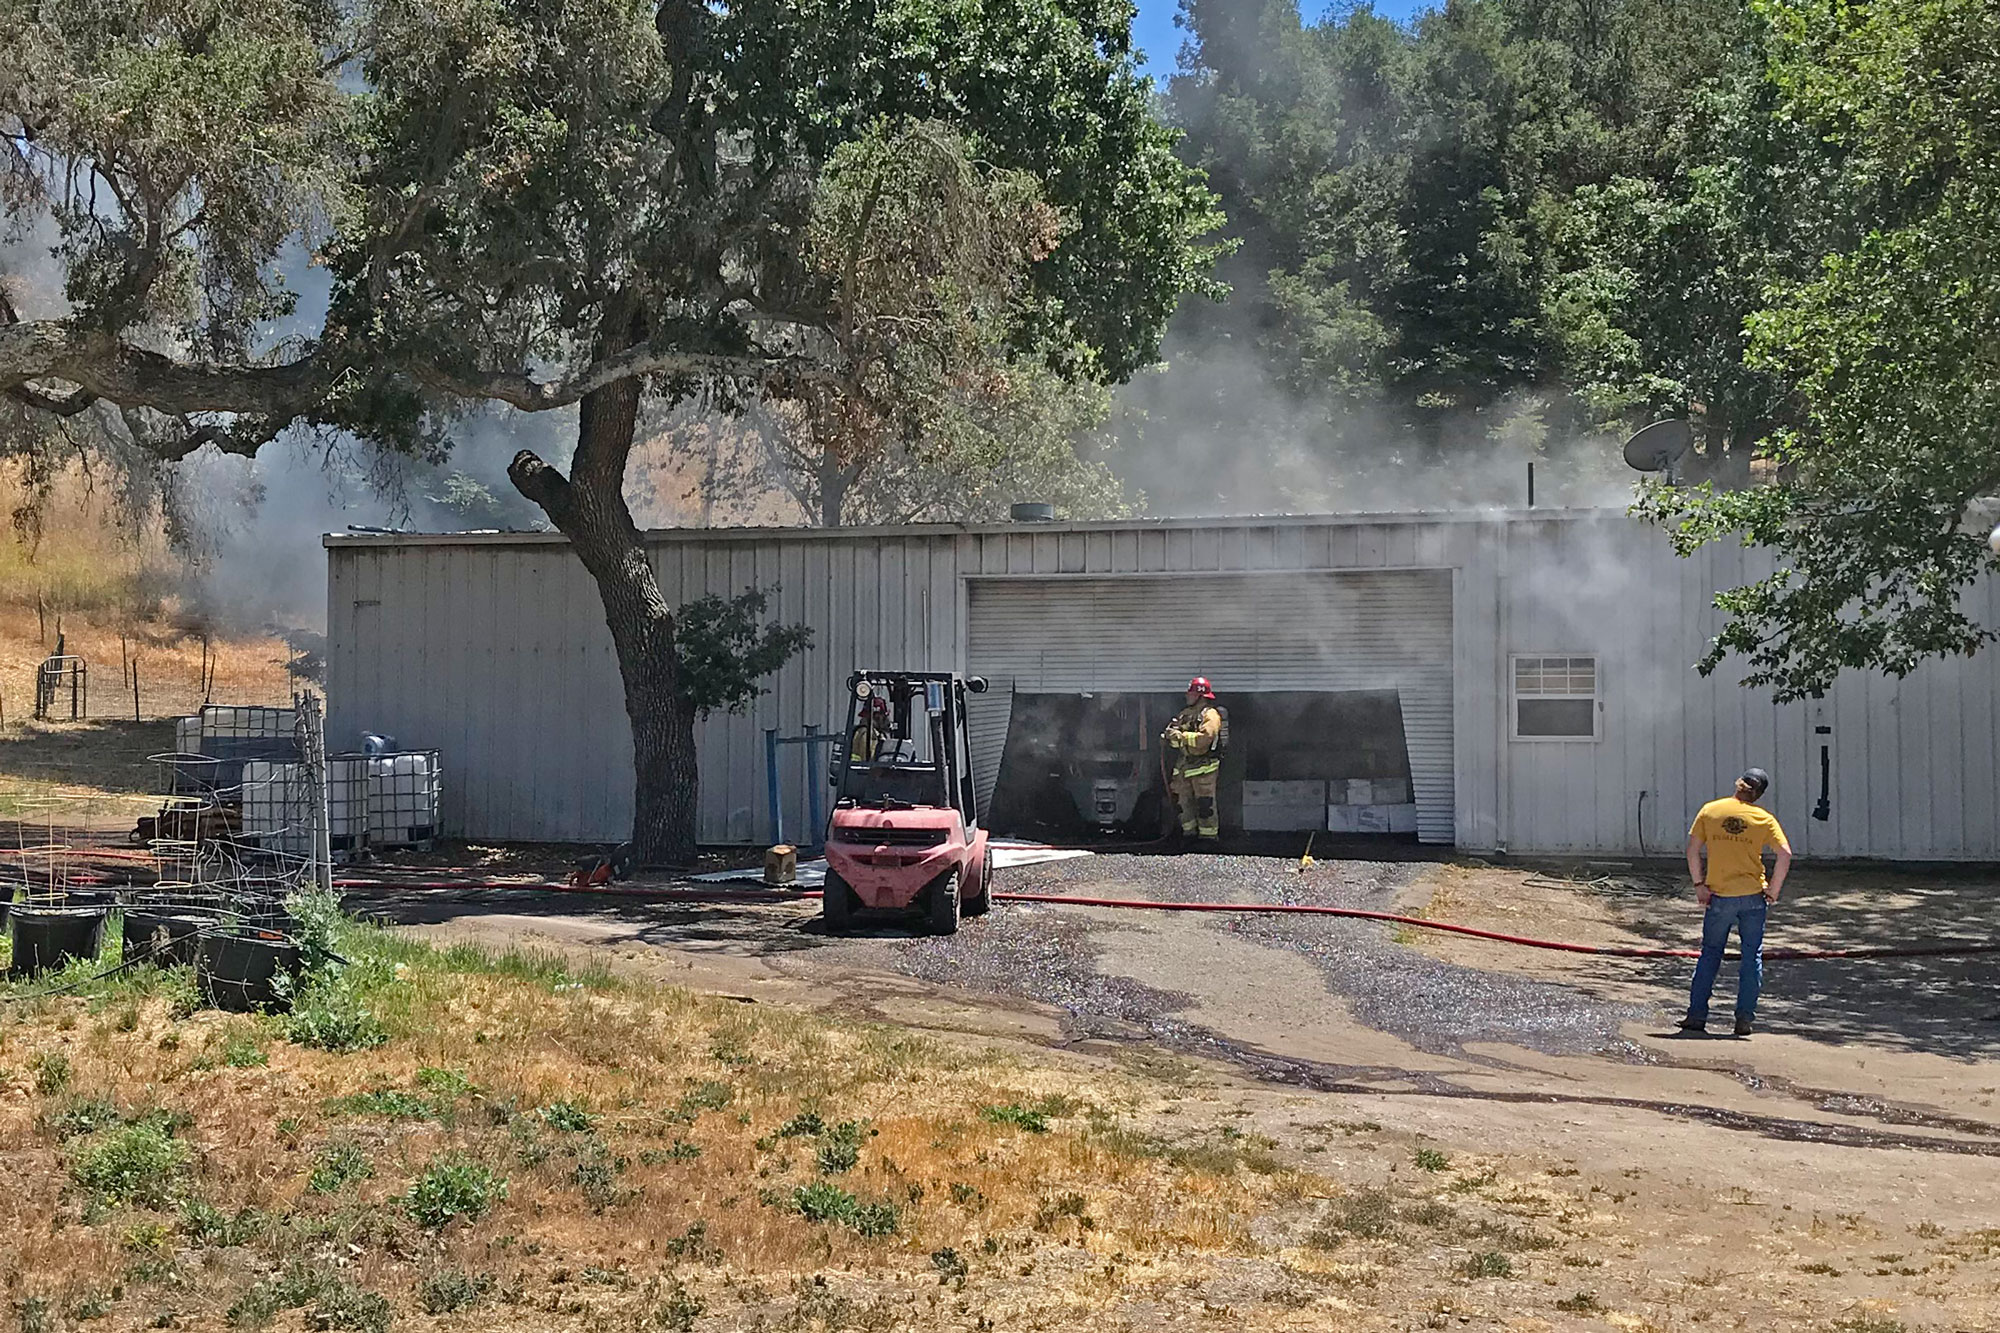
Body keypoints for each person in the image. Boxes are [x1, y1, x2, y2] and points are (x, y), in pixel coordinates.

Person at [1681, 767, 1791, 1037]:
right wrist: (1773, 890)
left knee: (1710, 954)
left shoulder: (1710, 811)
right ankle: (1744, 1020)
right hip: (1753, 897)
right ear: (1760, 793)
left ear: (1738, 784)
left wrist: (1699, 885)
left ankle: (1696, 1017)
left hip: (1719, 897)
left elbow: (1693, 850)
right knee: (1751, 957)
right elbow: (1785, 854)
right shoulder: (1763, 819)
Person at [1165, 676, 1224, 843]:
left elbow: (1204, 740)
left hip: (1204, 768)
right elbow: (1174, 740)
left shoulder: (1210, 715)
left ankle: (1208, 839)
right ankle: (1188, 836)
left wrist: (1182, 737)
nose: (1187, 696)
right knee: (1182, 804)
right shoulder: (1185, 714)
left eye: (1191, 693)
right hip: (1184, 767)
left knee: (1204, 805)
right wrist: (1171, 736)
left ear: (1201, 695)